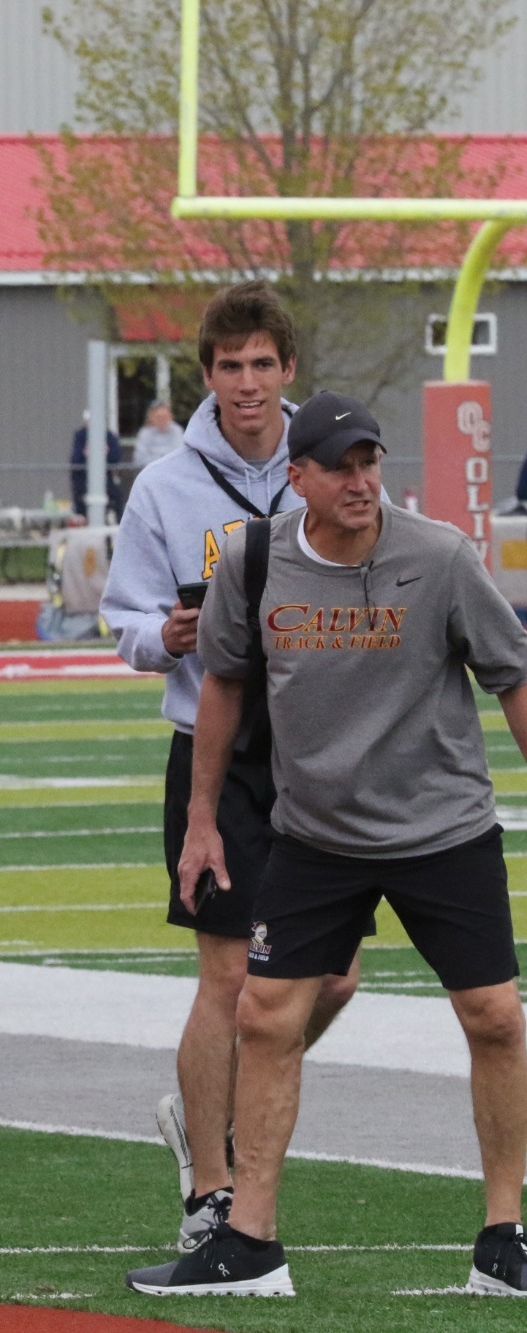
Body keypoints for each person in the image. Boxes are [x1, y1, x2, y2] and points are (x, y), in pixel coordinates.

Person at [129, 391, 527, 1298]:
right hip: (314, 832)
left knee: (496, 1017)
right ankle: (249, 1242)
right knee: (265, 1017)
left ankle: (505, 1236)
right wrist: (200, 822)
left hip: (442, 827)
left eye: (370, 461)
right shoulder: (254, 558)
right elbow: (221, 686)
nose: (360, 480)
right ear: (296, 478)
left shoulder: (439, 555)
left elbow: (512, 675)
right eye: (340, 466)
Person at [101, 281, 358, 1253]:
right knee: (227, 980)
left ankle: (199, 1108)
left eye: (260, 363)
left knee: (326, 980)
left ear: (285, 369)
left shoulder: (330, 463)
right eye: (226, 366)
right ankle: (208, 1186)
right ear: (202, 375)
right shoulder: (164, 485)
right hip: (211, 753)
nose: (245, 383)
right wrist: (160, 635)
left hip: (319, 750)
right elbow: (120, 619)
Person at [70, 414, 125, 519]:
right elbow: (76, 459)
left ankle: (120, 525)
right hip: (83, 478)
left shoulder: (109, 436)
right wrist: (98, 456)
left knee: (117, 497)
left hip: (105, 477)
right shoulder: (80, 436)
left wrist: (97, 458)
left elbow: (115, 457)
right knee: (81, 500)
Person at [132, 400, 184, 472]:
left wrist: (156, 458)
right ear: (151, 417)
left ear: (171, 416)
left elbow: (179, 455)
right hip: (150, 473)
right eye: (158, 417)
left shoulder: (177, 431)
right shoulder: (144, 433)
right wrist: (164, 458)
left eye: (165, 416)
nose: (162, 420)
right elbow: (139, 460)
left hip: (174, 472)